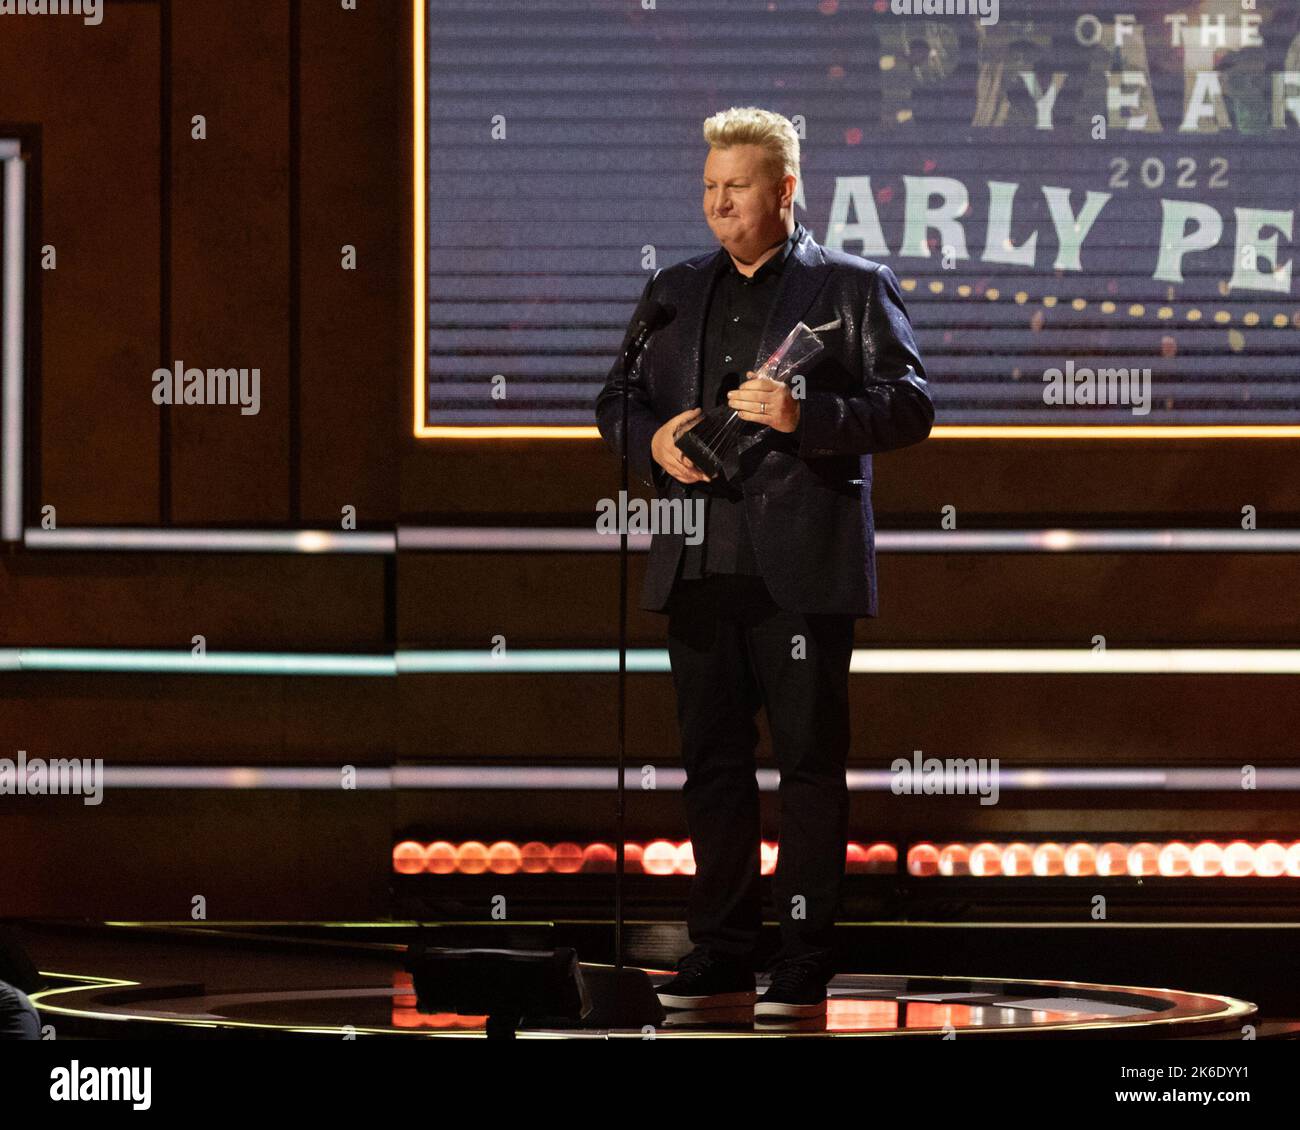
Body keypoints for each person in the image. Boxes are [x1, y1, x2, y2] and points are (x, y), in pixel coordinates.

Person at [594, 106, 933, 1019]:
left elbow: (910, 407)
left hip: (802, 570)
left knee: (810, 769)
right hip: (698, 562)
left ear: (785, 190)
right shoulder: (673, 288)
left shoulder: (852, 286)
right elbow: (614, 400)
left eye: (734, 188)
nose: (716, 204)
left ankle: (805, 958)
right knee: (711, 765)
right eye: (707, 188)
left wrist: (803, 418)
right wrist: (648, 439)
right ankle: (722, 949)